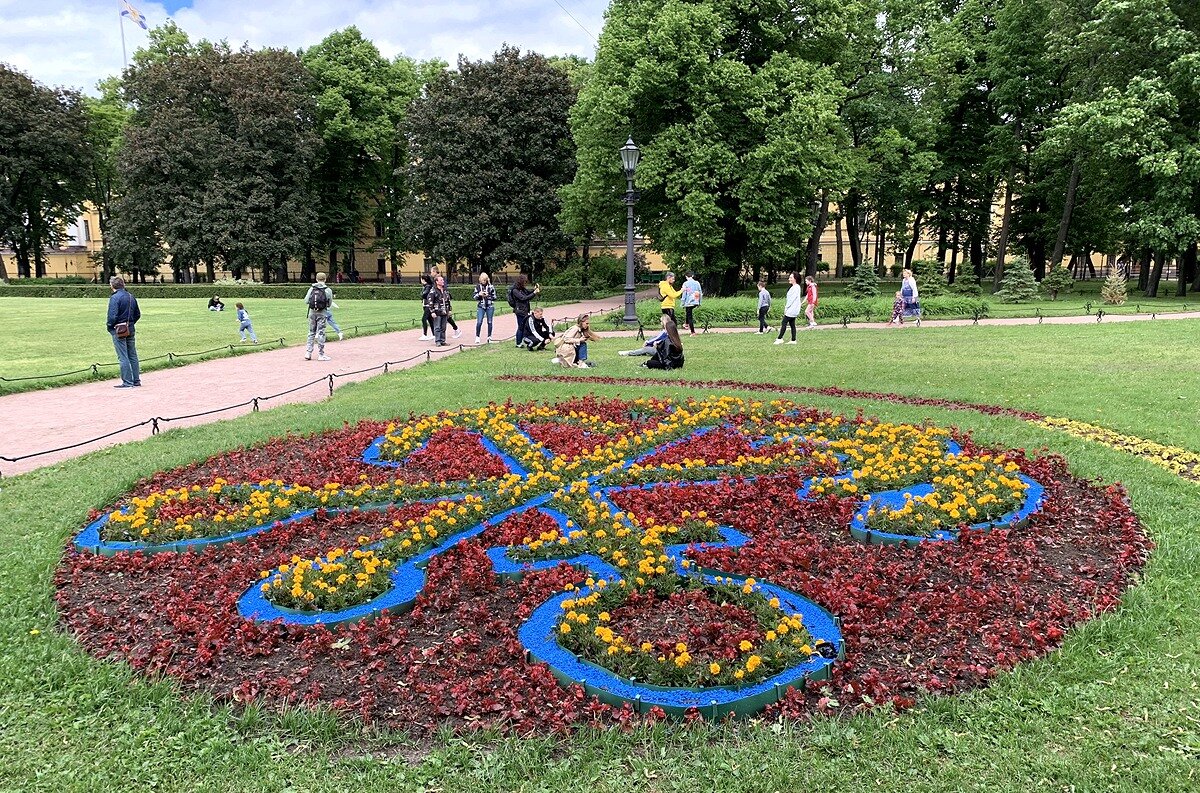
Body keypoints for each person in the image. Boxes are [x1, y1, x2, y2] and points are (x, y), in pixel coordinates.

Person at [106, 276, 141, 388]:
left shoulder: (115, 298)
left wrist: (110, 327)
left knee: (123, 356)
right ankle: (136, 380)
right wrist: (130, 323)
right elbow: (137, 314)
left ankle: (127, 382)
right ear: (123, 284)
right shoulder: (131, 296)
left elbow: (112, 316)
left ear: (112, 286)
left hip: (119, 329)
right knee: (132, 355)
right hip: (130, 328)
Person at [303, 272, 333, 361]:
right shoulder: (327, 290)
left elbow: (306, 301)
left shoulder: (312, 288)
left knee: (311, 332)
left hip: (312, 313)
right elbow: (330, 303)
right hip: (322, 312)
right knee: (321, 332)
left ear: (316, 279)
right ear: (325, 279)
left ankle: (308, 352)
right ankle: (321, 354)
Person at [508, 275, 539, 348]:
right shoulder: (515, 290)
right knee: (521, 327)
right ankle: (518, 343)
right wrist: (534, 293)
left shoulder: (522, 289)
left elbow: (528, 293)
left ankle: (522, 340)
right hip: (519, 311)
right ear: (521, 282)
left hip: (524, 310)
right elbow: (523, 298)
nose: (525, 283)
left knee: (524, 326)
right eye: (524, 282)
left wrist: (534, 290)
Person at [774, 273, 802, 345]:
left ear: (795, 279)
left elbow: (791, 299)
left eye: (791, 277)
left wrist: (786, 307)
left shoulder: (795, 287)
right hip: (793, 309)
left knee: (784, 322)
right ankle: (793, 340)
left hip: (791, 309)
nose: (789, 279)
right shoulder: (795, 287)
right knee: (792, 324)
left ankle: (780, 338)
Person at [425, 275, 452, 345]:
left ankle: (443, 341)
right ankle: (437, 341)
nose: (443, 281)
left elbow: (448, 301)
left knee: (443, 327)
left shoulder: (445, 290)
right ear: (437, 282)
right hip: (437, 312)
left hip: (445, 311)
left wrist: (450, 310)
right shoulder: (433, 291)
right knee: (437, 327)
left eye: (443, 280)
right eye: (441, 280)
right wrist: (432, 311)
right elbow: (430, 301)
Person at [473, 272, 496, 344]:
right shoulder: (477, 287)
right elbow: (474, 297)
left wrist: (488, 295)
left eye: (484, 280)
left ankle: (489, 337)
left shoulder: (491, 287)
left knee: (489, 322)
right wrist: (479, 295)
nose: (483, 282)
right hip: (481, 306)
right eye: (481, 280)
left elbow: (495, 297)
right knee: (479, 322)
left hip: (489, 306)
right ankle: (477, 336)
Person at [419, 274, 435, 341]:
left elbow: (425, 294)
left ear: (423, 280)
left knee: (424, 319)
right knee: (430, 320)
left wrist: (422, 295)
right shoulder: (427, 286)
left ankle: (425, 335)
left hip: (428, 305)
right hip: (426, 305)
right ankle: (434, 334)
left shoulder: (427, 286)